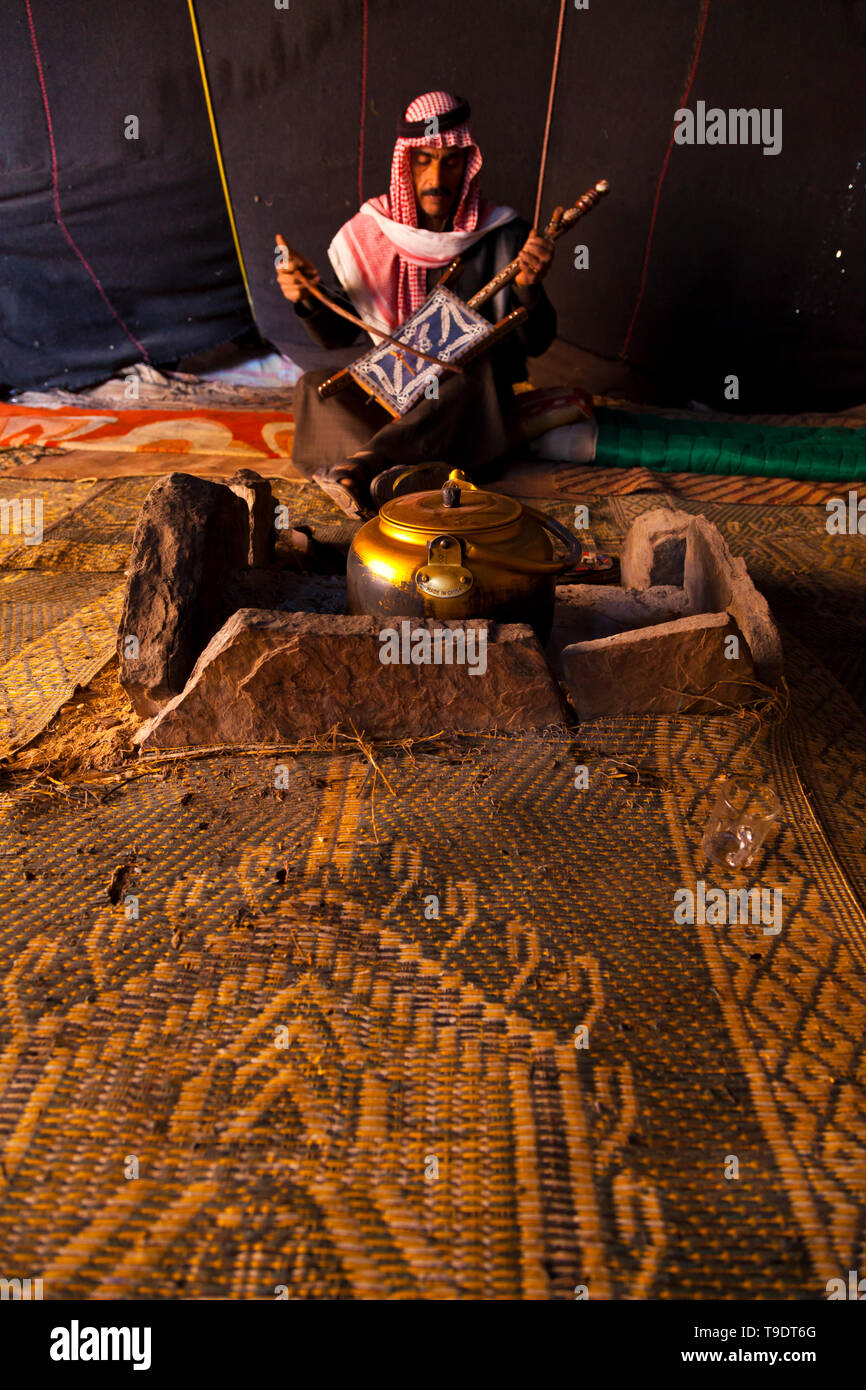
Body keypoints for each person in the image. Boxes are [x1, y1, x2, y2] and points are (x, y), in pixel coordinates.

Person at [276, 90, 557, 517]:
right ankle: (408, 475)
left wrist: (528, 287)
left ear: (467, 163)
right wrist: (307, 297)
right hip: (393, 397)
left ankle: (366, 469)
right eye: (423, 160)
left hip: (466, 408)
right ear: (404, 162)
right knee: (314, 388)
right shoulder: (372, 232)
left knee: (470, 363)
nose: (436, 178)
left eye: (449, 161)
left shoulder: (504, 234)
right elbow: (339, 334)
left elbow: (537, 343)